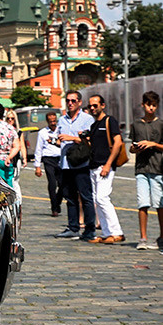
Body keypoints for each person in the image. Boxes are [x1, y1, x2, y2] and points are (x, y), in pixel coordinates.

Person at [54, 91, 96, 240]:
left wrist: (72, 138)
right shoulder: (62, 120)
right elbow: (60, 139)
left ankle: (90, 229)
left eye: (73, 101)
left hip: (81, 163)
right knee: (70, 197)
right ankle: (73, 227)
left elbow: (90, 140)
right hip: (65, 163)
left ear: (79, 102)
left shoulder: (87, 119)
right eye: (68, 101)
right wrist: (56, 140)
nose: (70, 103)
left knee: (86, 197)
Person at [84, 93, 124, 244]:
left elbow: (118, 142)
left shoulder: (109, 121)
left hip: (104, 166)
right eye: (90, 106)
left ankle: (117, 232)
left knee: (102, 198)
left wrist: (108, 164)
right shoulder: (93, 125)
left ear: (103, 105)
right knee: (97, 200)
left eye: (95, 105)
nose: (93, 108)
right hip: (93, 166)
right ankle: (107, 233)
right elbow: (94, 146)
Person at [130, 91, 163, 252]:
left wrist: (153, 144)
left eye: (154, 105)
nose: (151, 108)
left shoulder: (161, 124)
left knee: (160, 204)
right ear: (143, 105)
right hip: (141, 169)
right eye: (148, 105)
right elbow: (131, 146)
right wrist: (135, 148)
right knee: (142, 203)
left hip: (158, 169)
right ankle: (143, 238)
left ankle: (162, 237)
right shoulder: (136, 124)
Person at [33, 111, 63, 217]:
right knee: (52, 183)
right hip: (48, 159)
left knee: (62, 184)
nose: (53, 123)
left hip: (60, 159)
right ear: (47, 121)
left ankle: (58, 202)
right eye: (50, 121)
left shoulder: (61, 130)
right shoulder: (43, 133)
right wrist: (37, 166)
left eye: (54, 121)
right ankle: (54, 207)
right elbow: (38, 149)